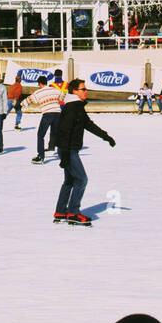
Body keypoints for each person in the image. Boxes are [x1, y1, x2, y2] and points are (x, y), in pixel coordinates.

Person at [53, 78, 115, 226]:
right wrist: (66, 155)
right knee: (81, 179)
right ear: (75, 91)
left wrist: (105, 136)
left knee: (70, 180)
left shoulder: (77, 107)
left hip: (67, 148)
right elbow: (64, 131)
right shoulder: (72, 108)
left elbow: (88, 125)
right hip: (68, 149)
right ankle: (73, 213)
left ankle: (61, 211)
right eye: (83, 89)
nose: (86, 91)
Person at [28, 74, 64, 163]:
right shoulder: (55, 90)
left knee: (40, 135)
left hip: (47, 114)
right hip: (57, 113)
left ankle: (40, 156)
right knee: (57, 135)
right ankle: (62, 155)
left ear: (40, 84)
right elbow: (62, 97)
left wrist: (20, 104)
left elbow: (30, 100)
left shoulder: (38, 92)